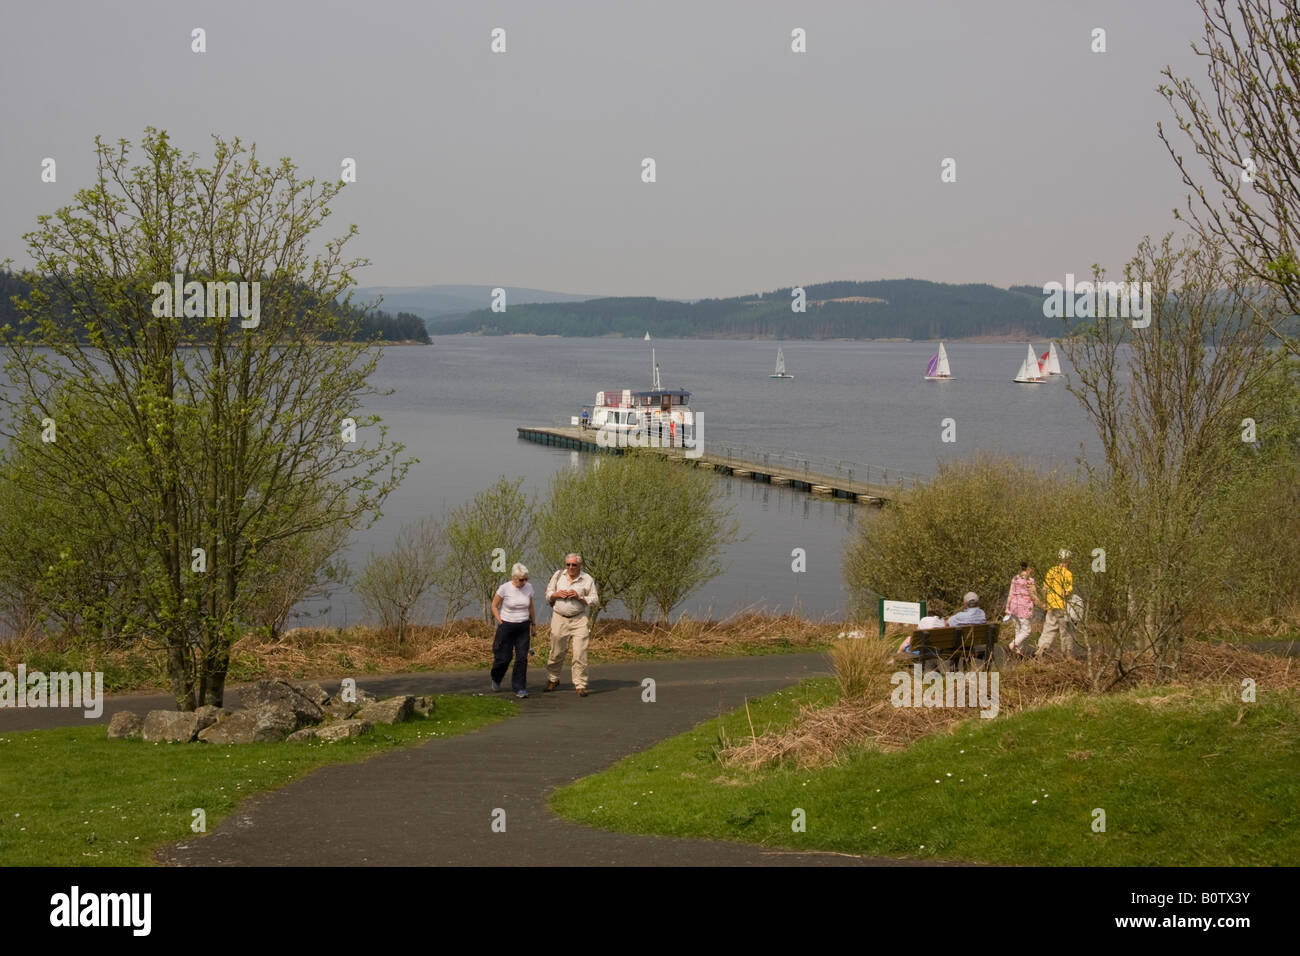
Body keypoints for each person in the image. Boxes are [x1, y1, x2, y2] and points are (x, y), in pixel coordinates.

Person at [544, 553, 600, 697]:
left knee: (580, 653)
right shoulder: (558, 576)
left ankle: (580, 684)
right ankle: (553, 679)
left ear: (579, 566)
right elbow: (548, 594)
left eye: (574, 565)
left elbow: (595, 600)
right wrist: (557, 594)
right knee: (556, 651)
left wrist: (579, 597)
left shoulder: (587, 579)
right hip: (559, 618)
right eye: (568, 564)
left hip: (579, 619)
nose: (570, 567)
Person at [490, 564, 535, 698]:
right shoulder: (505, 588)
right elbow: (494, 605)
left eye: (526, 579)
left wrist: (533, 624)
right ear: (514, 578)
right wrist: (499, 620)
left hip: (523, 626)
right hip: (507, 625)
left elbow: (531, 607)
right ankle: (496, 678)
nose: (524, 582)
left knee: (522, 658)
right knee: (504, 658)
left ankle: (519, 687)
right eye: (521, 580)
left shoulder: (529, 588)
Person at [1038, 550, 1075, 658]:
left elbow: (1044, 589)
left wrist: (1045, 601)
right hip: (1061, 607)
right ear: (1068, 560)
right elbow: (1067, 593)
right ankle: (1068, 655)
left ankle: (1041, 651)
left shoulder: (1051, 571)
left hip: (1051, 606)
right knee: (1066, 631)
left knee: (1048, 630)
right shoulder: (1067, 574)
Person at [1004, 561, 1043, 658]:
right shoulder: (1030, 581)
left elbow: (1011, 593)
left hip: (1014, 606)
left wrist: (1007, 606)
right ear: (1029, 568)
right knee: (1026, 630)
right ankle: (1012, 645)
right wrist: (1041, 605)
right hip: (1024, 607)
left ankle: (1018, 652)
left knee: (1018, 629)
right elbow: (1033, 595)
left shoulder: (1015, 578)